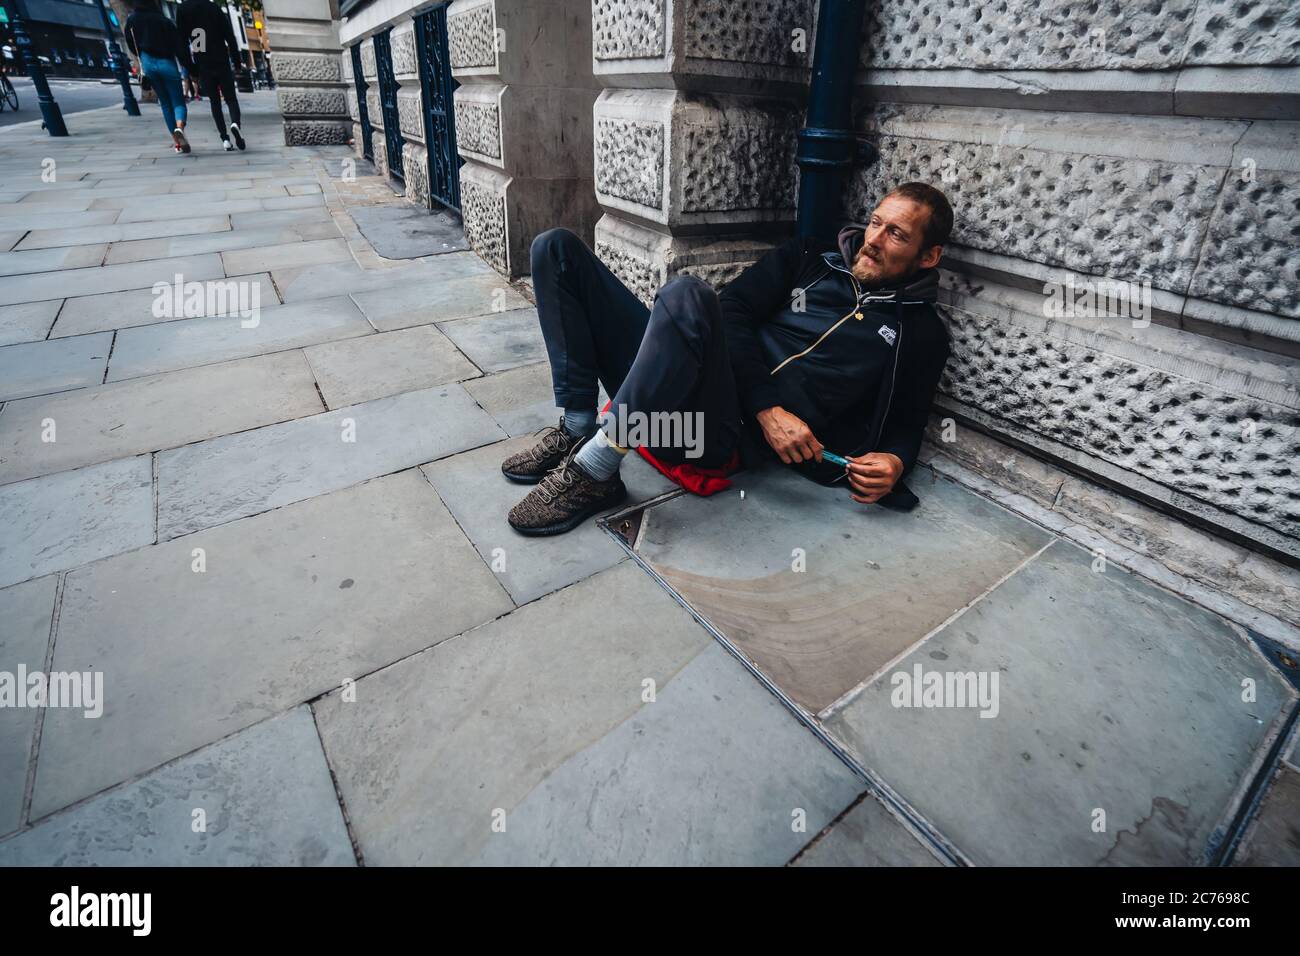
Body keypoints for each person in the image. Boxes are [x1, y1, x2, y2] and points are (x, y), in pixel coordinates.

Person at [502, 182, 954, 536]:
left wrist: (894, 461)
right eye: (875, 222)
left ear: (929, 255)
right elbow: (731, 310)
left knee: (685, 294)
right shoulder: (810, 258)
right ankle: (578, 430)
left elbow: (907, 421)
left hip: (712, 435)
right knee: (556, 248)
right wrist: (769, 406)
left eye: (895, 233)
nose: (872, 240)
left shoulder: (920, 333)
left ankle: (595, 468)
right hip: (684, 389)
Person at [124, 0, 192, 154]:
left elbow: (130, 42)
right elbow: (179, 47)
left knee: (165, 103)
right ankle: (179, 127)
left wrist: (140, 54)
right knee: (178, 102)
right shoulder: (164, 21)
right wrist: (189, 66)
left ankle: (177, 142)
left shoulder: (132, 19)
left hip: (148, 62)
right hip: (167, 62)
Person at [177, 0, 244, 151]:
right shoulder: (213, 7)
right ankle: (235, 123)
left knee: (215, 102)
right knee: (231, 98)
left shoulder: (183, 10)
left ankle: (225, 138)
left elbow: (181, 42)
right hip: (221, 60)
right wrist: (237, 61)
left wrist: (191, 68)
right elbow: (229, 36)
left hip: (203, 63)